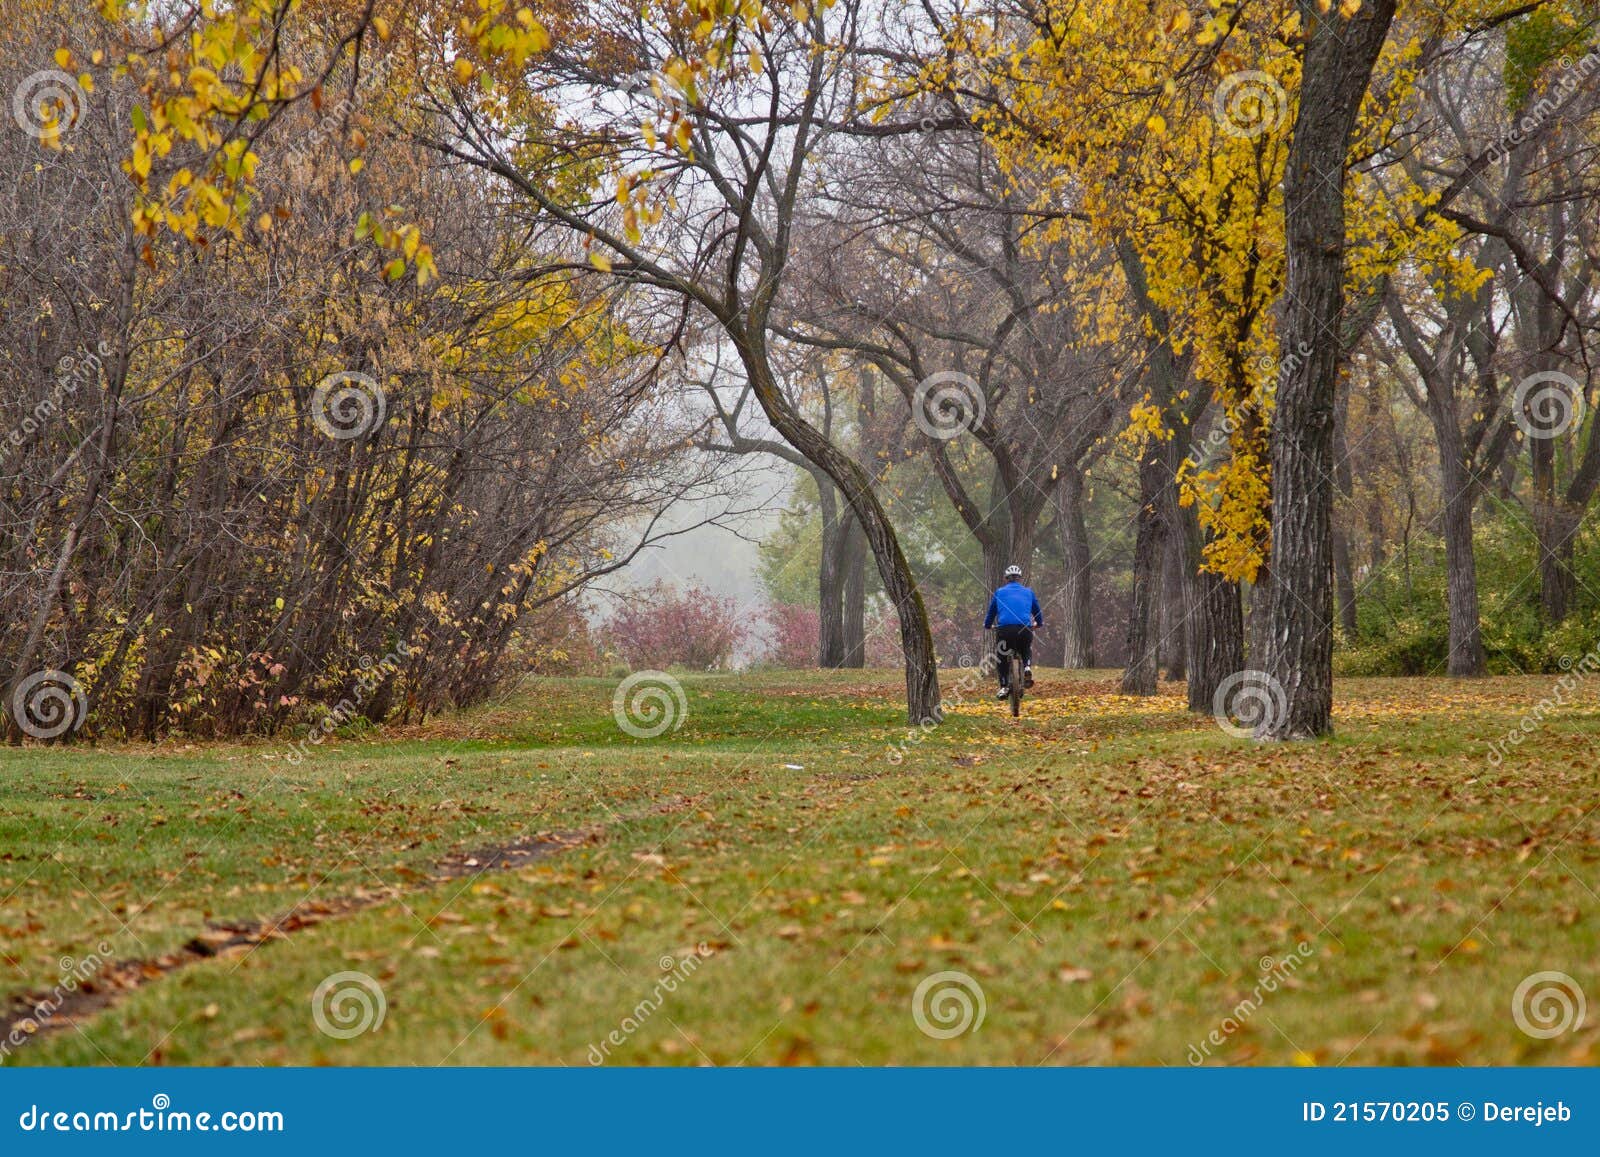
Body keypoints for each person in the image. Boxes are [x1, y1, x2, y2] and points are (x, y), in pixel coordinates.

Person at [984, 564, 1042, 699]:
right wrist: (1038, 623)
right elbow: (1037, 611)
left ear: (1006, 579)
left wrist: (988, 625)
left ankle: (1004, 686)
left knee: (1001, 656)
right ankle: (1027, 667)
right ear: (1020, 579)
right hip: (1024, 628)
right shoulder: (1028, 592)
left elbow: (991, 613)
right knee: (1025, 648)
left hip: (1005, 629)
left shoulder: (999, 592)